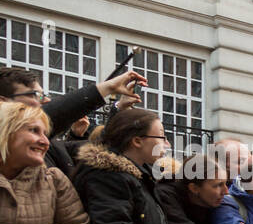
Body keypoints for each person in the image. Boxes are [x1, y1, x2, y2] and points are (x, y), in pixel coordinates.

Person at [77, 108, 194, 224]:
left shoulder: (139, 175)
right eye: (161, 137)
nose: (167, 144)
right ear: (137, 141)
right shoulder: (109, 177)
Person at [0, 66, 147, 177]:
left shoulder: (52, 148)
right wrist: (107, 87)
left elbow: (98, 149)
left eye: (44, 95)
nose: (46, 100)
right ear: (3, 103)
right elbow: (53, 114)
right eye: (36, 95)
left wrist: (119, 109)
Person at [0, 102, 90, 224]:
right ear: (5, 132)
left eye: (45, 134)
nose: (45, 142)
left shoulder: (53, 179)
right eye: (34, 131)